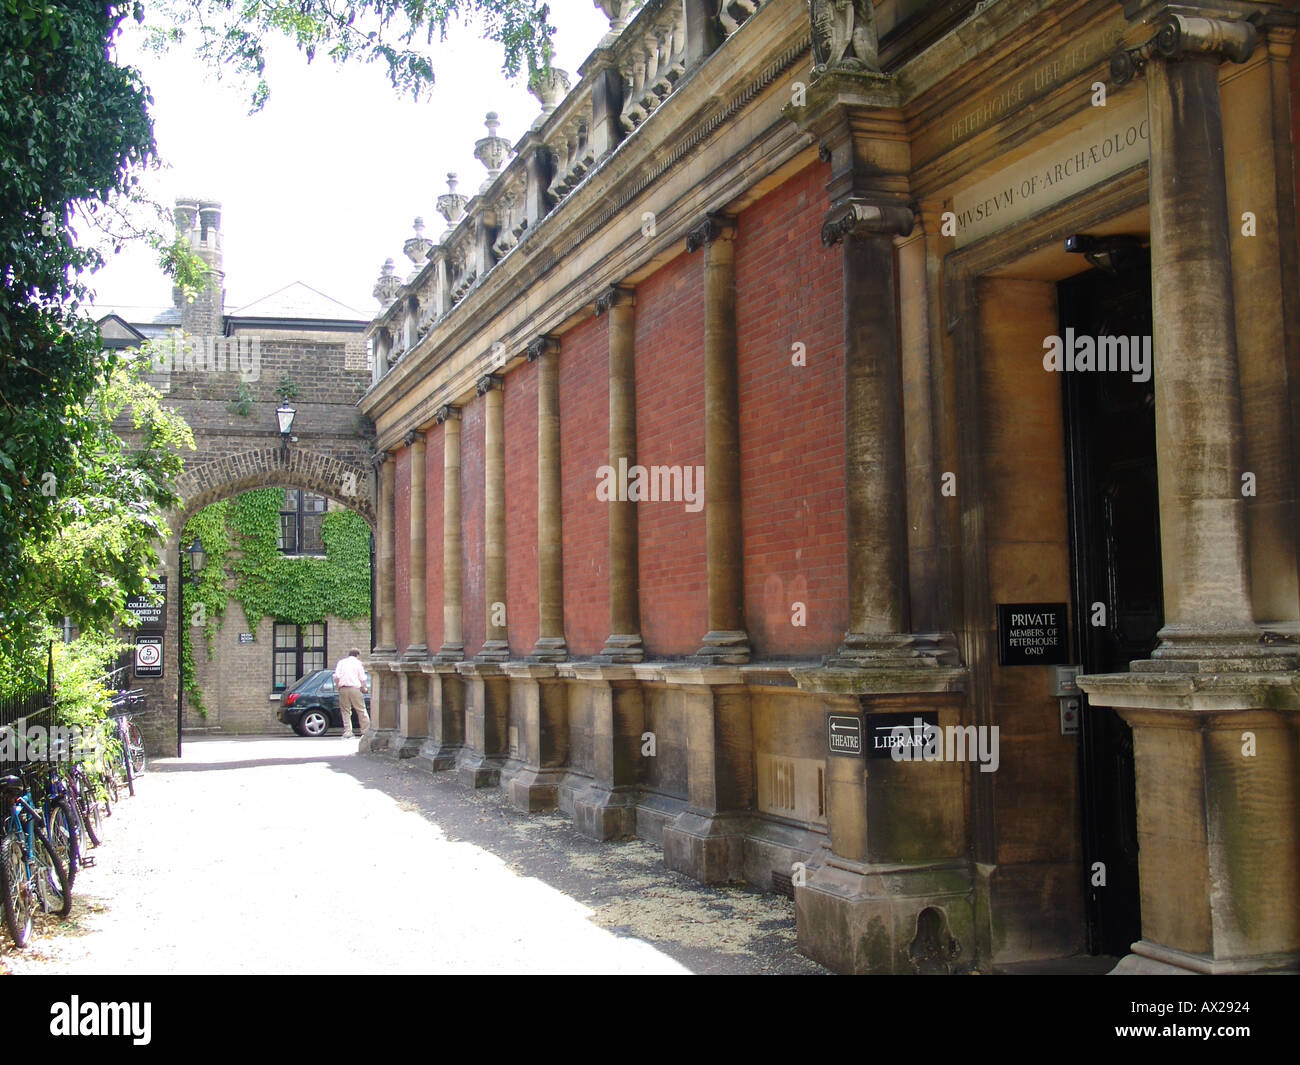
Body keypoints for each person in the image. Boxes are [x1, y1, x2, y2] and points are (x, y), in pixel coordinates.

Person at [332, 648, 370, 739]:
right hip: (354, 688)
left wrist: (338, 687)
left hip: (343, 688)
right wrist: (364, 688)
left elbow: (336, 676)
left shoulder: (341, 662)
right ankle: (365, 731)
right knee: (361, 710)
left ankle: (348, 732)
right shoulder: (358, 663)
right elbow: (362, 678)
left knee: (345, 711)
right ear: (357, 655)